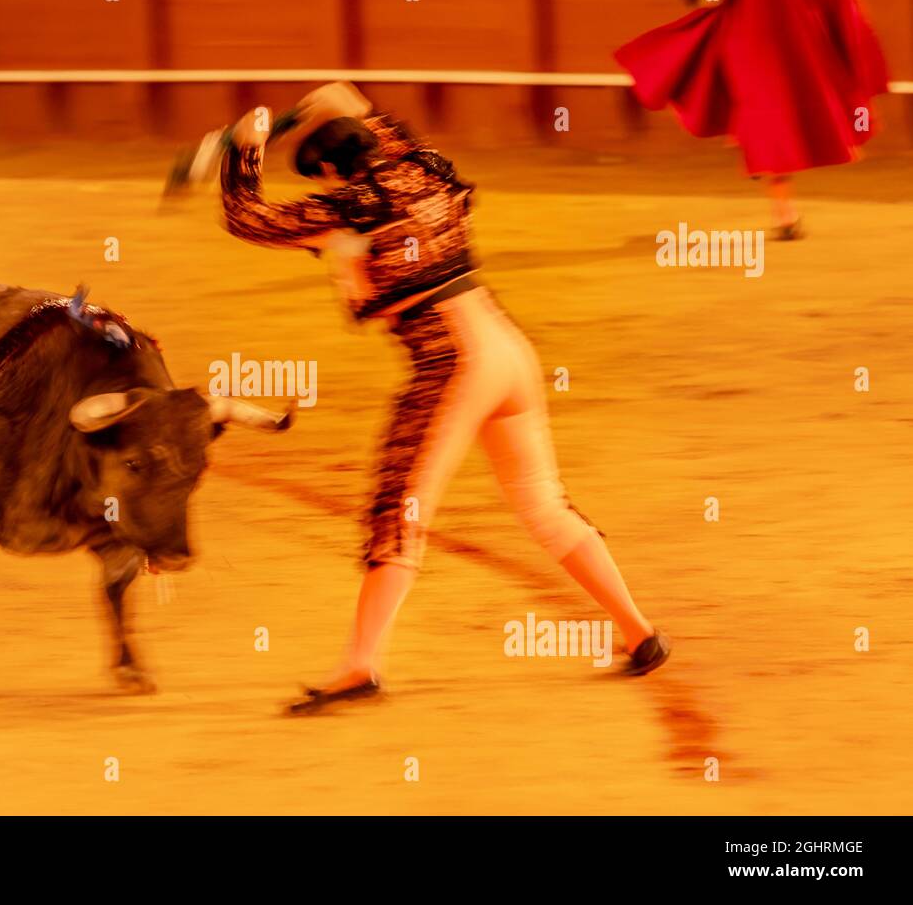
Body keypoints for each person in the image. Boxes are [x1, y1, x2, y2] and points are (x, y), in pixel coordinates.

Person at [218, 83, 671, 714]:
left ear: (327, 170)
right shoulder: (421, 169)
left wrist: (243, 154)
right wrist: (322, 106)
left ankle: (359, 666)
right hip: (509, 350)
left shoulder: (350, 208)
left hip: (451, 363)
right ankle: (638, 632)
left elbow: (247, 219)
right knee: (544, 507)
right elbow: (347, 97)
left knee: (398, 510)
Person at [616, 0, 888, 239]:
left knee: (779, 104)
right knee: (767, 107)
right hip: (746, 12)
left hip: (800, 3)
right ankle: (784, 211)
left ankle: (760, 156)